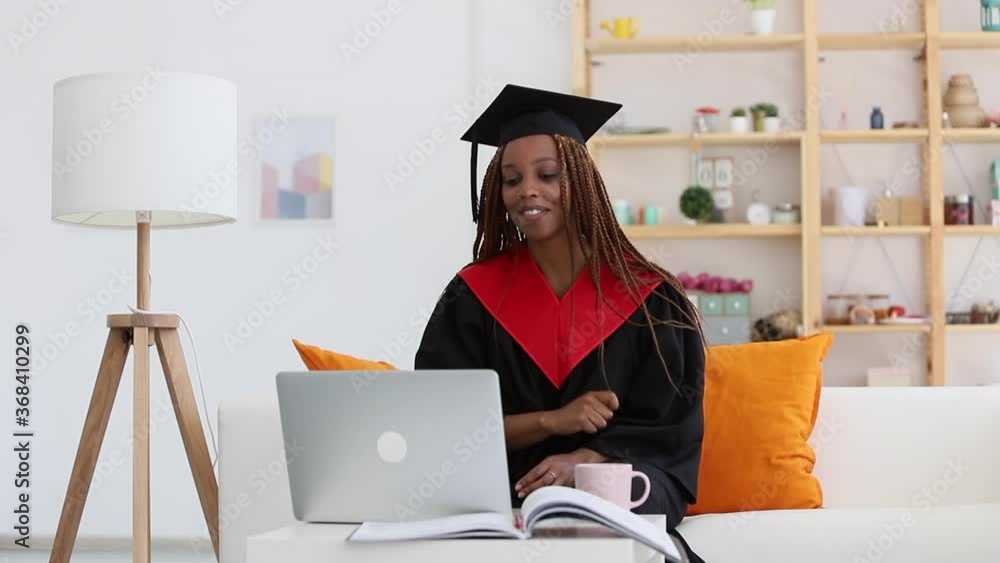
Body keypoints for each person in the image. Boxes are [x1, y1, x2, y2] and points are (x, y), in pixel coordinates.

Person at [414, 84, 707, 562]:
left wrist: (586, 460)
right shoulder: (472, 296)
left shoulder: (650, 297)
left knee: (615, 493)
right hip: (510, 482)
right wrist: (553, 421)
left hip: (616, 476)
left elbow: (670, 428)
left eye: (547, 174)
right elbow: (446, 427)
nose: (527, 190)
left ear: (581, 181)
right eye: (512, 179)